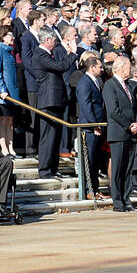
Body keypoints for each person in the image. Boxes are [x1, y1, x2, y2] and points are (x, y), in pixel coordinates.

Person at [102, 56, 137, 211]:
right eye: (128, 67)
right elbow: (113, 110)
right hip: (119, 133)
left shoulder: (128, 86)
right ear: (120, 68)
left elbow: (135, 108)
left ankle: (127, 199)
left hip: (131, 133)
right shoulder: (110, 85)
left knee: (128, 169)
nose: (130, 70)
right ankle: (117, 201)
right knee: (118, 169)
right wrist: (128, 125)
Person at [31, 29, 71, 178]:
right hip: (48, 101)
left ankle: (53, 168)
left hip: (55, 100)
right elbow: (60, 67)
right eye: (54, 40)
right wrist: (71, 54)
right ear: (47, 40)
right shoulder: (40, 54)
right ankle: (45, 169)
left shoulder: (47, 54)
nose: (56, 42)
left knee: (55, 136)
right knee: (48, 137)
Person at [75, 53, 107, 199]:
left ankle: (95, 188)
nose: (102, 70)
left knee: (96, 159)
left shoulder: (95, 81)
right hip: (90, 128)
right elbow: (86, 105)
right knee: (90, 159)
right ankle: (90, 189)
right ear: (92, 67)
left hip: (98, 126)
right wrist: (94, 124)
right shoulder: (84, 82)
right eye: (100, 67)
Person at [0, 24, 19, 157]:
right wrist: (1, 90)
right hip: (2, 94)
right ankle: (4, 148)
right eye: (9, 35)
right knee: (2, 119)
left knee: (10, 120)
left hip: (12, 93)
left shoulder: (9, 52)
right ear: (3, 37)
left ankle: (11, 147)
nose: (12, 37)